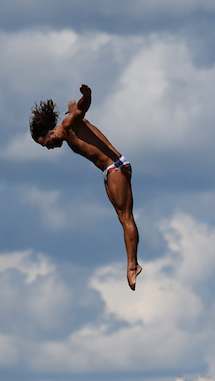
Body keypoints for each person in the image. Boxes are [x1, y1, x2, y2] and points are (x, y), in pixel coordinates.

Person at [30, 84, 141, 290]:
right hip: (109, 171)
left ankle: (132, 266)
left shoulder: (68, 125)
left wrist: (86, 95)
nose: (51, 148)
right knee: (122, 218)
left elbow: (81, 109)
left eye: (48, 143)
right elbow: (76, 110)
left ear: (51, 132)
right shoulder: (70, 122)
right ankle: (132, 264)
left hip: (115, 167)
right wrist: (73, 106)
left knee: (126, 218)